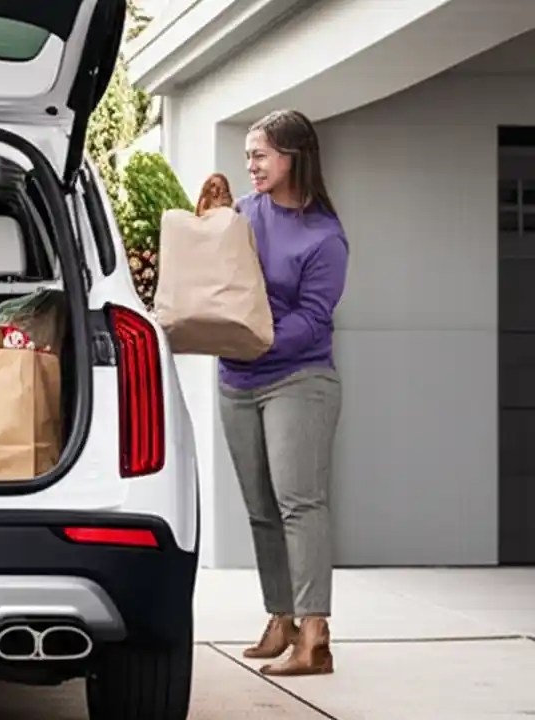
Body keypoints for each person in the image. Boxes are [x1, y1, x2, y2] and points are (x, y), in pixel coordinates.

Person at [219, 109, 349, 676]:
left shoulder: (325, 237)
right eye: (247, 155)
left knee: (300, 504)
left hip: (298, 379)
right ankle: (281, 618)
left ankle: (315, 633)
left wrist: (257, 340)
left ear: (293, 157)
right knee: (261, 510)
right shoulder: (243, 213)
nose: (250, 165)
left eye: (260, 155)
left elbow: (315, 318)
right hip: (236, 379)